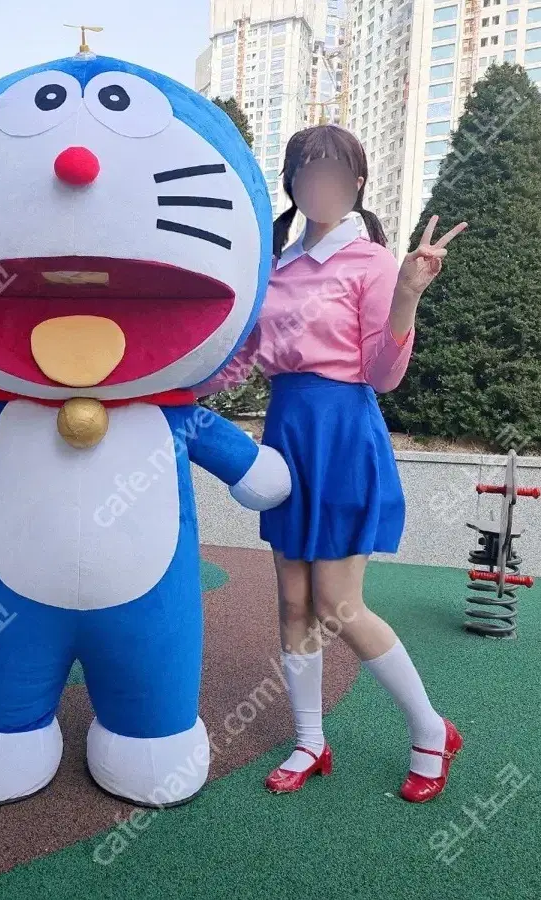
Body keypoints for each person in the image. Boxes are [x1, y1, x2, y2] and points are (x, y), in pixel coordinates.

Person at [197, 125, 467, 803]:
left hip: (343, 433)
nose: (321, 184)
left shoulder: (372, 260)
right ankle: (310, 741)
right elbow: (241, 361)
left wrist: (408, 292)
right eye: (307, 171)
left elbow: (382, 375)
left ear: (357, 184)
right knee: (293, 602)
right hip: (287, 434)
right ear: (291, 182)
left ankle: (431, 729)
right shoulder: (276, 266)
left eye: (336, 173)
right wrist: (176, 386)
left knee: (339, 606)